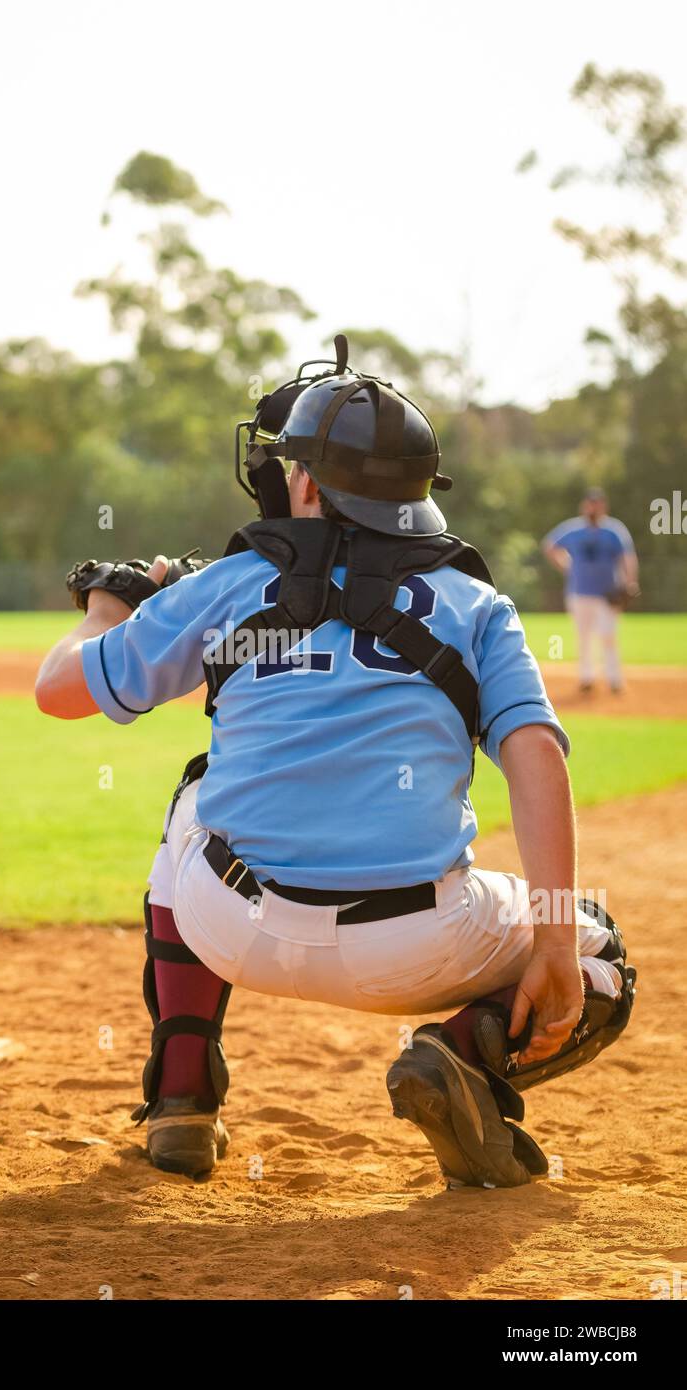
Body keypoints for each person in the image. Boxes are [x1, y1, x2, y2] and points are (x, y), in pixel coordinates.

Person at [36, 337, 635, 1189]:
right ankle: (459, 1054)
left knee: (198, 794)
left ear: (305, 484)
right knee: (598, 947)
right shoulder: (478, 605)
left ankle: (182, 1097)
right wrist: (550, 937)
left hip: (230, 925)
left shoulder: (232, 584)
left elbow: (57, 691)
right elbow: (537, 758)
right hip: (416, 947)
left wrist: (110, 607)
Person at [542, 488, 639, 694]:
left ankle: (614, 680)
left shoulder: (613, 530)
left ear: (604, 506)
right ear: (584, 506)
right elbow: (549, 545)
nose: (593, 507)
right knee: (583, 636)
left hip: (607, 593)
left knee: (608, 635)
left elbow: (627, 557)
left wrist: (631, 581)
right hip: (579, 592)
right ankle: (586, 678)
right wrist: (566, 566)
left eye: (597, 503)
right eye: (590, 503)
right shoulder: (574, 529)